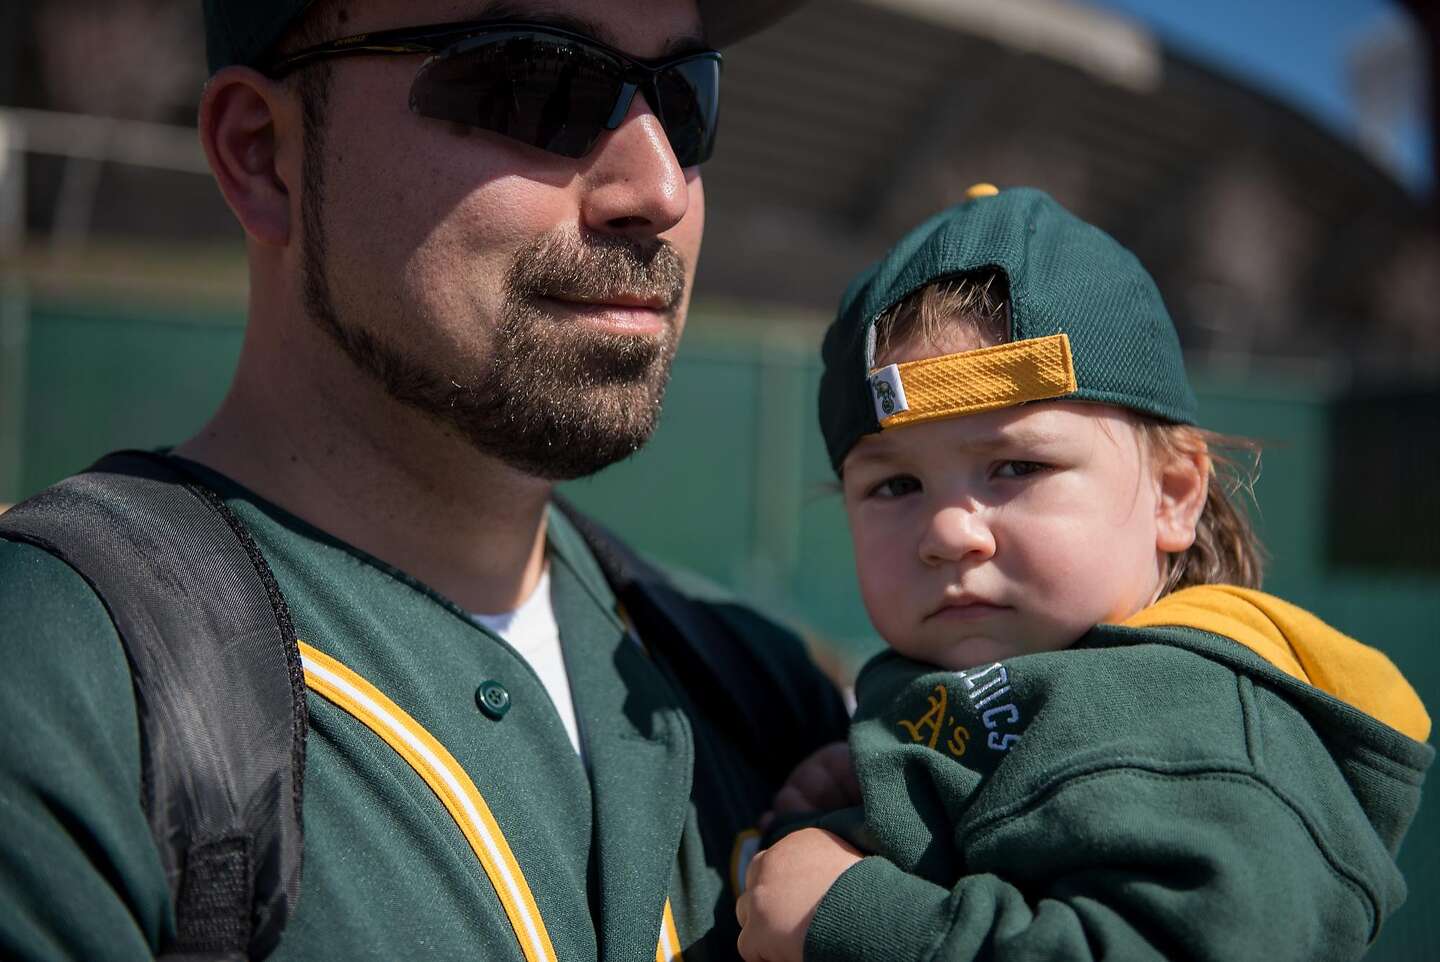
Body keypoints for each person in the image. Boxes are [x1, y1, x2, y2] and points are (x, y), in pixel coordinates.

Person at [0, 1, 851, 959]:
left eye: (685, 100)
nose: (658, 189)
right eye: (540, 84)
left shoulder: (769, 704)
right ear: (261, 154)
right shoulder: (61, 683)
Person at [734, 185, 1433, 962]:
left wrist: (850, 917)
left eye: (1015, 466)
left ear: (1174, 497)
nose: (947, 532)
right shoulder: (1030, 692)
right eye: (894, 485)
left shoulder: (1188, 731)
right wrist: (892, 790)